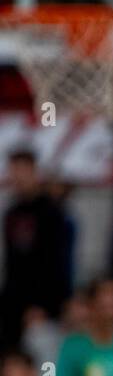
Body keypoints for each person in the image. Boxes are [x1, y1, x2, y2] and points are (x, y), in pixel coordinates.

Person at [1, 150, 73, 350]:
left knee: (43, 362)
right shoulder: (12, 213)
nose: (18, 177)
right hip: (13, 304)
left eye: (23, 170)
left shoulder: (51, 213)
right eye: (14, 171)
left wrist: (45, 305)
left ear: (34, 171)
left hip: (43, 307)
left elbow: (56, 262)